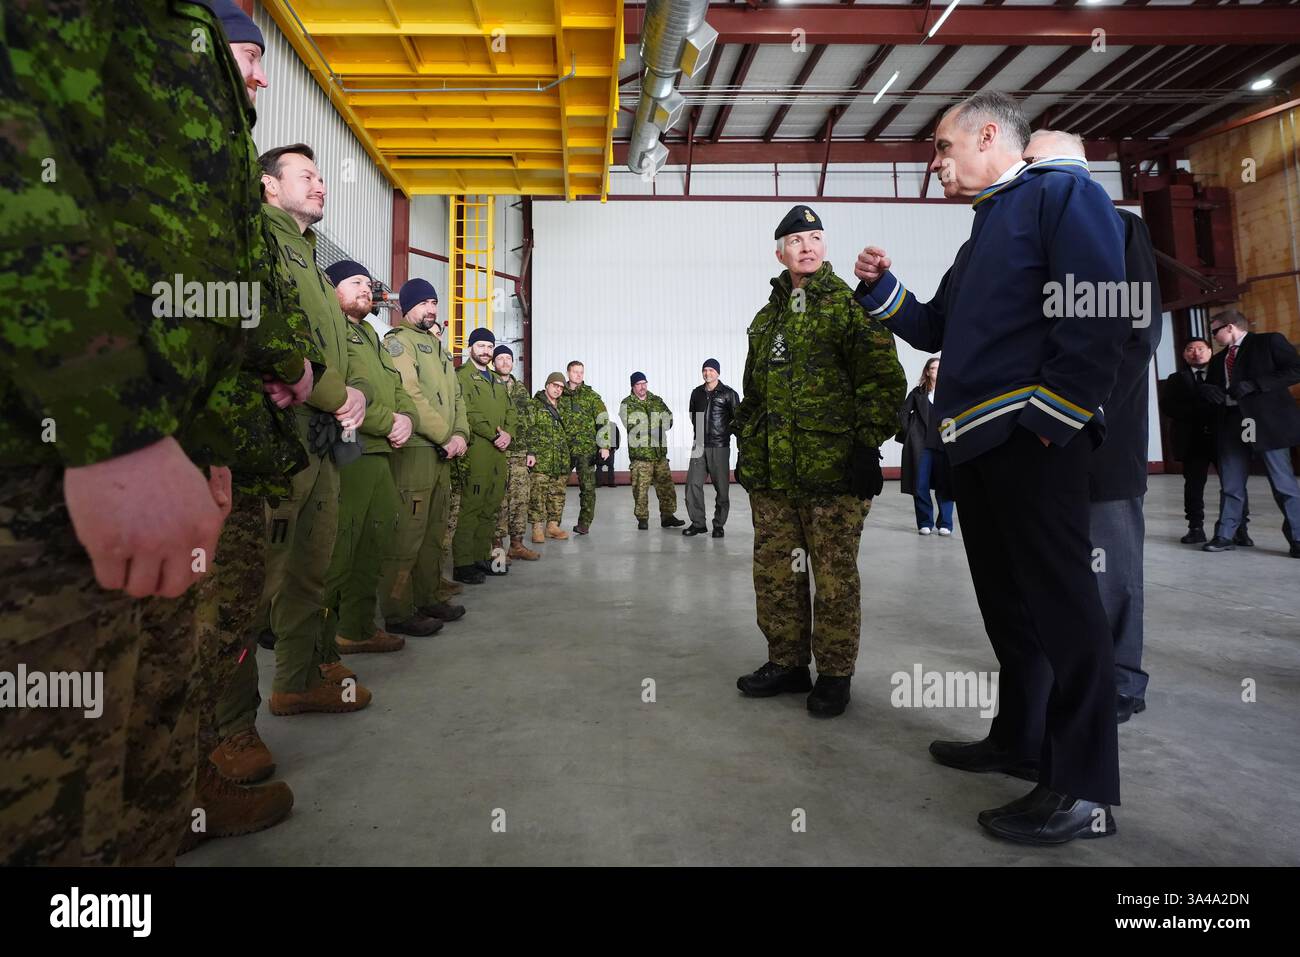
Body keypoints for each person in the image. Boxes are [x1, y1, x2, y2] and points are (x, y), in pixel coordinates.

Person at [0, 0, 314, 864]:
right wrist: (114, 429)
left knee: (148, 734)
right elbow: (18, 136)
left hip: (173, 436)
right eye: (252, 58)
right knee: (57, 797)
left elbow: (203, 245)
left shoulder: (182, 31)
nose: (259, 73)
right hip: (52, 457)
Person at [854, 93, 1128, 844]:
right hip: (976, 446)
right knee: (1012, 611)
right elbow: (936, 325)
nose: (936, 165)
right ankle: (1020, 739)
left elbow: (1100, 304)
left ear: (987, 134)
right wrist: (883, 288)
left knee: (1065, 613)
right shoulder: (984, 232)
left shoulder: (1062, 193)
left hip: (1030, 442)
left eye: (942, 148)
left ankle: (1083, 789)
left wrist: (1055, 418)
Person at [734, 205, 905, 718]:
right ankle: (786, 663)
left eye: (815, 237)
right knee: (775, 574)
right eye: (796, 240)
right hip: (773, 476)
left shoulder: (852, 309)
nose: (807, 246)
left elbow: (884, 382)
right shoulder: (766, 319)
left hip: (833, 473)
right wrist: (746, 444)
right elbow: (754, 394)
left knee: (833, 577)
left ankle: (834, 674)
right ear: (779, 251)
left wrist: (865, 446)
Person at [1026, 129, 1165, 724]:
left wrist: (1072, 413)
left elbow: (1131, 340)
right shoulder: (1034, 239)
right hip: (1041, 440)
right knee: (1058, 570)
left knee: (1110, 567)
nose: (1021, 172)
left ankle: (1122, 682)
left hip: (1096, 439)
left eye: (1031, 163)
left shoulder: (1118, 230)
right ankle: (1074, 675)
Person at [253, 144, 373, 718]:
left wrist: (351, 397)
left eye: (323, 177)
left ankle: (296, 681)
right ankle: (226, 733)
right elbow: (271, 335)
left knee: (309, 569)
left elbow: (335, 355)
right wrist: (326, 390)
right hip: (277, 431)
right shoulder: (259, 239)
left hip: (322, 434)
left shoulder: (315, 265)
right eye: (307, 176)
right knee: (253, 582)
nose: (321, 185)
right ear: (270, 186)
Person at [316, 260, 417, 657]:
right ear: (332, 288)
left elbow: (395, 386)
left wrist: (405, 419)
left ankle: (356, 629)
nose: (364, 288)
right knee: (338, 551)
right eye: (353, 282)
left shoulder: (371, 334)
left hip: (378, 454)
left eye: (365, 282)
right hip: (348, 451)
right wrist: (386, 421)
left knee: (373, 544)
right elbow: (337, 391)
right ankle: (316, 655)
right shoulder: (332, 328)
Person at [378, 278, 469, 632]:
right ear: (406, 307)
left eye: (434, 302)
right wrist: (445, 435)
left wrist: (460, 433)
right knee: (408, 535)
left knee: (433, 534)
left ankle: (429, 598)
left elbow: (457, 397)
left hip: (443, 454)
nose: (431, 309)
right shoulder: (399, 344)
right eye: (424, 303)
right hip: (417, 450)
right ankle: (399, 612)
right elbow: (410, 394)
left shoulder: (438, 348)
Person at [1199, 310, 1300, 557]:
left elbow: (1296, 370)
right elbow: (1212, 387)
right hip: (1232, 424)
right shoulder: (1218, 360)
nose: (1213, 337)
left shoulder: (1268, 342)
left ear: (1230, 327)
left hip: (1266, 423)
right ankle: (1225, 535)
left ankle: (1298, 537)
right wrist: (1207, 391)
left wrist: (1256, 384)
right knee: (1231, 484)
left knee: (1282, 483)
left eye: (1215, 331)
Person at [1160, 338, 1250, 545]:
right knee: (1193, 486)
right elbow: (1168, 408)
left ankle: (1240, 529)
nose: (1196, 353)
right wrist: (1199, 408)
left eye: (1201, 348)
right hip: (1192, 440)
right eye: (1190, 349)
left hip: (1223, 438)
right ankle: (1195, 527)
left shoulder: (1223, 375)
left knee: (1233, 485)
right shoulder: (1176, 379)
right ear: (1184, 355)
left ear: (1210, 351)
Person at [453, 327, 517, 582]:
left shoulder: (496, 380)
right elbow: (467, 411)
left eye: (489, 347)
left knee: (490, 507)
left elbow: (511, 412)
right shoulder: (462, 377)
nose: (486, 351)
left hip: (498, 455)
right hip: (477, 450)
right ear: (471, 348)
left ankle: (480, 556)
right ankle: (463, 563)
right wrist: (495, 434)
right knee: (472, 507)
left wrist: (508, 434)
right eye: (481, 346)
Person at [620, 373, 686, 530]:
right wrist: (655, 423)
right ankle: (642, 519)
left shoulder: (656, 400)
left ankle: (668, 516)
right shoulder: (626, 403)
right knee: (640, 490)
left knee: (667, 488)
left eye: (644, 383)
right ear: (632, 386)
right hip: (641, 456)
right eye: (638, 384)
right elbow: (633, 426)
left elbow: (669, 420)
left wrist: (648, 423)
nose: (642, 387)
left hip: (659, 454)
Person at [897, 357, 954, 536]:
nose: (936, 371)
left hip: (945, 445)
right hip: (921, 446)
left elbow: (957, 415)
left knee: (945, 485)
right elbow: (903, 412)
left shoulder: (950, 393)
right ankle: (925, 522)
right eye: (933, 368)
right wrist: (909, 432)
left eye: (939, 368)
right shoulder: (918, 393)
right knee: (920, 486)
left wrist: (953, 440)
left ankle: (945, 523)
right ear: (927, 372)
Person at [493, 345, 539, 561]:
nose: (504, 362)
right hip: (496, 452)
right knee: (498, 500)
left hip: (519, 454)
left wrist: (531, 450)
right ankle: (496, 545)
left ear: (513, 363)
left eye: (508, 358)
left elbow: (531, 422)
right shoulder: (489, 384)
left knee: (520, 499)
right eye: (500, 358)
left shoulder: (520, 389)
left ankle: (517, 544)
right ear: (494, 362)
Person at [684, 358, 740, 538]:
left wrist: (724, 435)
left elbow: (736, 420)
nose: (707, 373)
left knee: (722, 489)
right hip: (699, 444)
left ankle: (719, 525)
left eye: (711, 370)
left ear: (718, 372)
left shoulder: (729, 393)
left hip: (719, 446)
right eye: (705, 370)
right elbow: (693, 415)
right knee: (692, 485)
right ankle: (698, 523)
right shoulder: (696, 393)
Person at [559, 361, 611, 534]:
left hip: (586, 450)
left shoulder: (591, 396)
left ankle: (584, 524)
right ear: (568, 373)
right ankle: (553, 523)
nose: (579, 375)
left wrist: (604, 445)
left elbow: (603, 419)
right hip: (563, 449)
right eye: (575, 372)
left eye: (581, 372)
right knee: (557, 487)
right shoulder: (559, 393)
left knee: (588, 488)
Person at [526, 373, 576, 543]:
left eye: (561, 387)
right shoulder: (535, 405)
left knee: (557, 494)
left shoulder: (564, 407)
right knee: (537, 494)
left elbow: (570, 432)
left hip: (561, 460)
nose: (558, 389)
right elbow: (529, 429)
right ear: (547, 385)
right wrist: (530, 452)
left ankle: (552, 526)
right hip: (542, 459)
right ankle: (537, 528)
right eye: (555, 385)